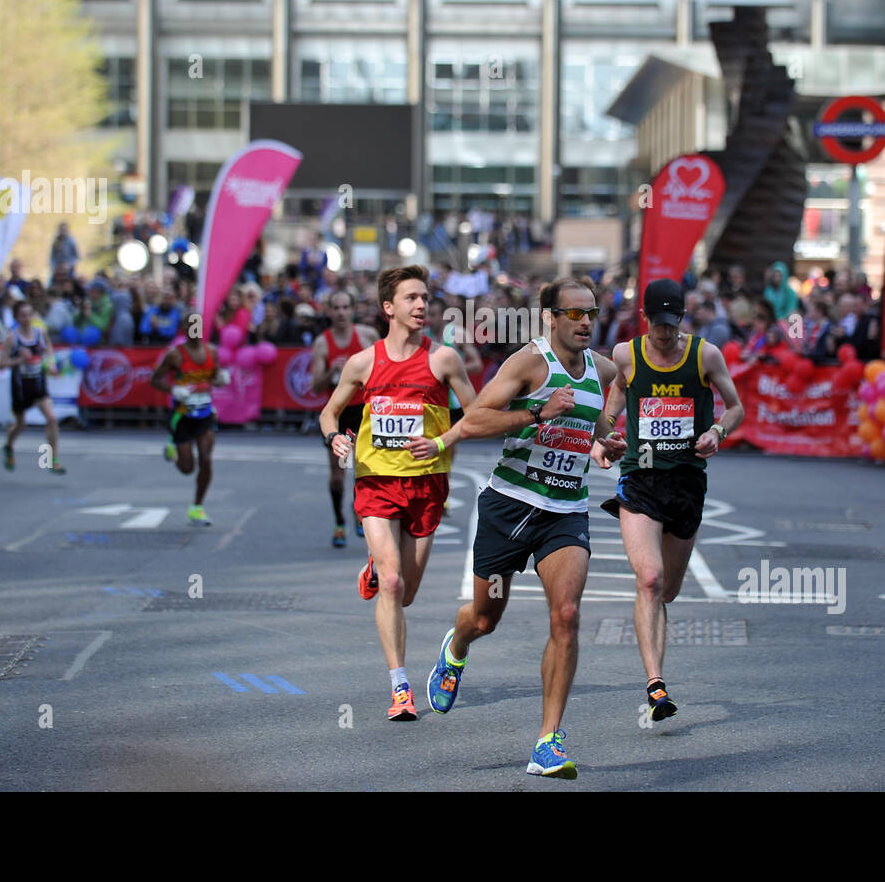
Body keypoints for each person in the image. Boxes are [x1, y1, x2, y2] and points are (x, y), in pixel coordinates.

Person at [424, 277, 626, 779]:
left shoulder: (601, 369)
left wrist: (604, 443)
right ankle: (457, 647)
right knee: (486, 617)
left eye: (591, 314)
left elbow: (592, 420)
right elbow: (473, 420)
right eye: (574, 314)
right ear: (551, 318)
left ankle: (548, 741)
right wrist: (537, 409)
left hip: (564, 511)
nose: (584, 322)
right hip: (509, 506)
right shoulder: (528, 363)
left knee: (568, 615)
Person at [319, 265, 476, 722]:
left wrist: (442, 441)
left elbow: (478, 413)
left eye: (425, 297)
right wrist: (336, 439)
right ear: (389, 307)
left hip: (427, 485)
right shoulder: (363, 363)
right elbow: (329, 413)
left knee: (405, 592)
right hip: (377, 482)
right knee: (391, 583)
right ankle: (401, 687)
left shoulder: (443, 360)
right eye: (411, 298)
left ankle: (376, 561)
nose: (422, 305)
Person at [595, 278, 744, 722]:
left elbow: (735, 407)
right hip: (640, 479)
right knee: (650, 580)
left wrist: (717, 431)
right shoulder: (626, 354)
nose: (664, 334)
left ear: (682, 318)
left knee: (669, 591)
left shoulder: (705, 355)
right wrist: (604, 436)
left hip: (686, 483)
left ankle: (656, 644)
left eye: (671, 324)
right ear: (646, 319)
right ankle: (656, 685)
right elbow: (617, 393)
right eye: (657, 325)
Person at [309, 289, 381, 548]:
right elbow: (316, 387)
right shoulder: (322, 342)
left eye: (345, 308)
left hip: (363, 413)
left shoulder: (367, 336)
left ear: (352, 310)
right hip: (337, 414)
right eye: (336, 308)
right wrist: (332, 370)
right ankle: (339, 520)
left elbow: (384, 370)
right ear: (329, 311)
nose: (340, 313)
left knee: (363, 472)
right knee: (338, 474)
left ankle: (358, 512)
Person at [150, 313, 230, 526]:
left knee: (206, 457)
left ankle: (197, 506)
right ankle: (173, 451)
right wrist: (173, 389)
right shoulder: (175, 355)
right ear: (184, 329)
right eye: (190, 325)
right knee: (187, 468)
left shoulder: (212, 352)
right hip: (182, 416)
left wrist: (220, 379)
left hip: (204, 414)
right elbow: (154, 379)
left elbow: (214, 376)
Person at [1, 300, 66, 475]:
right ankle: (8, 446)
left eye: (29, 314)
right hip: (21, 386)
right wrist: (19, 360)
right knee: (21, 425)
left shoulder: (40, 332)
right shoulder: (12, 338)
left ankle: (52, 459)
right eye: (23, 315)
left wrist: (51, 364)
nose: (27, 318)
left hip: (38, 383)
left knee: (51, 419)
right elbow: (1, 364)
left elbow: (49, 348)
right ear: (16, 317)